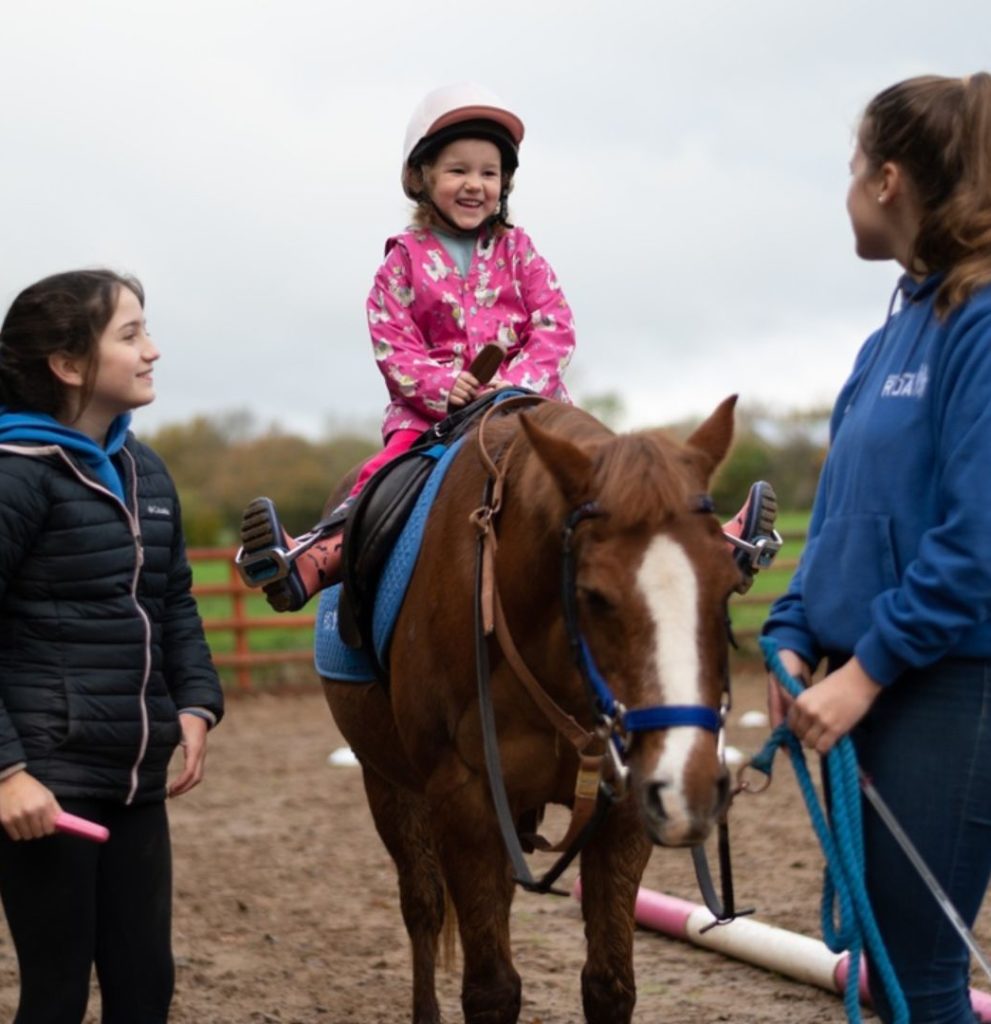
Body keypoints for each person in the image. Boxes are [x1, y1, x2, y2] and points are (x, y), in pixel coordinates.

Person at [236, 82, 779, 613]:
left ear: (505, 183)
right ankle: (317, 558)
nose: (475, 184)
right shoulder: (400, 263)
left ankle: (718, 546)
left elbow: (555, 323)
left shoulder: (520, 251)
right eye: (458, 170)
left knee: (614, 475)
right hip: (431, 418)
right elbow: (392, 343)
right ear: (421, 176)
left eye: (489, 173)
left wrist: (516, 382)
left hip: (528, 408)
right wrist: (443, 387)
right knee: (383, 478)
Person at [762, 73, 991, 1023]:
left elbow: (977, 540)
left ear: (887, 179)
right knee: (890, 972)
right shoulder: (883, 342)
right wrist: (790, 628)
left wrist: (864, 672)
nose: (848, 186)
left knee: (918, 983)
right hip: (883, 686)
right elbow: (840, 521)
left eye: (853, 166)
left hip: (950, 686)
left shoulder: (980, 324)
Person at [0, 269, 225, 1023]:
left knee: (145, 988)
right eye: (130, 335)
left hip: (135, 779)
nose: (152, 350)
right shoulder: (15, 479)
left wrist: (195, 701)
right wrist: (7, 775)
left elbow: (173, 600)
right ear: (68, 364)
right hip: (45, 787)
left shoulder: (146, 470)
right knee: (56, 996)